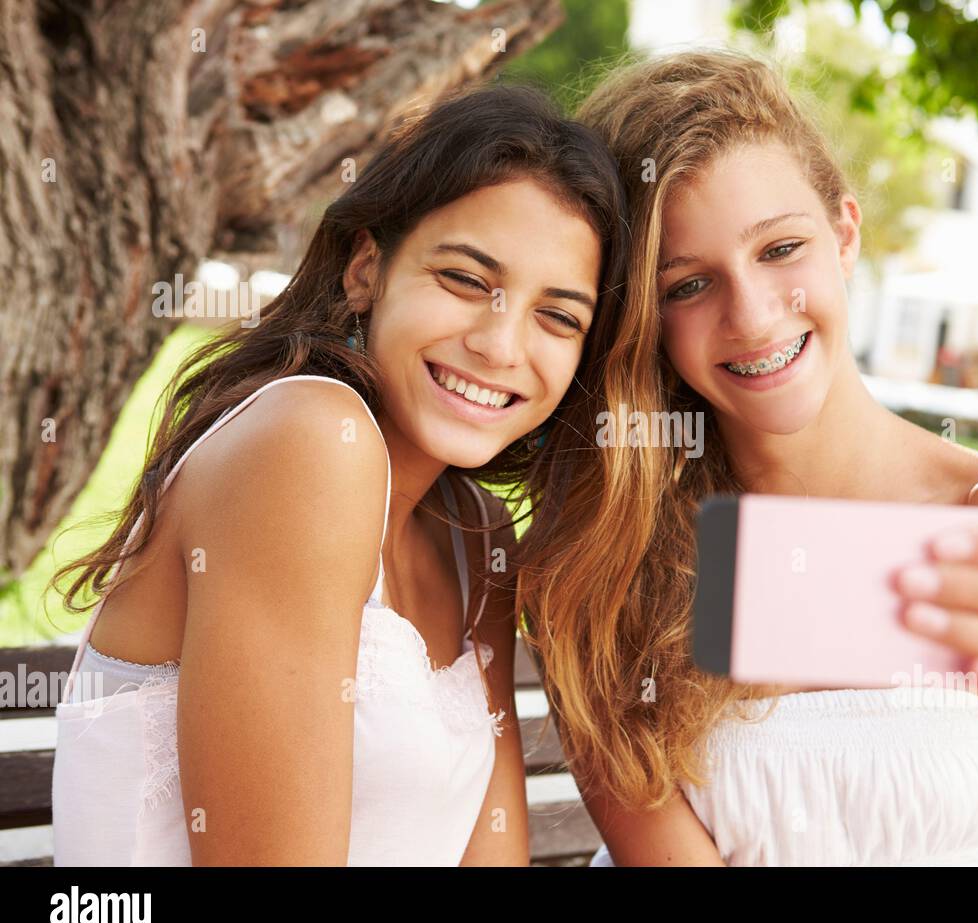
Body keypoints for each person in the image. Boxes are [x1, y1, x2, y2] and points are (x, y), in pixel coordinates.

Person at [515, 50, 978, 866]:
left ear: (845, 234)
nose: (752, 318)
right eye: (686, 285)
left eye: (780, 249)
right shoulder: (607, 554)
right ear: (644, 317)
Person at [50, 83, 629, 866]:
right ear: (365, 270)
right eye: (464, 279)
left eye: (558, 316)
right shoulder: (310, 440)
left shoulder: (476, 538)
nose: (500, 345)